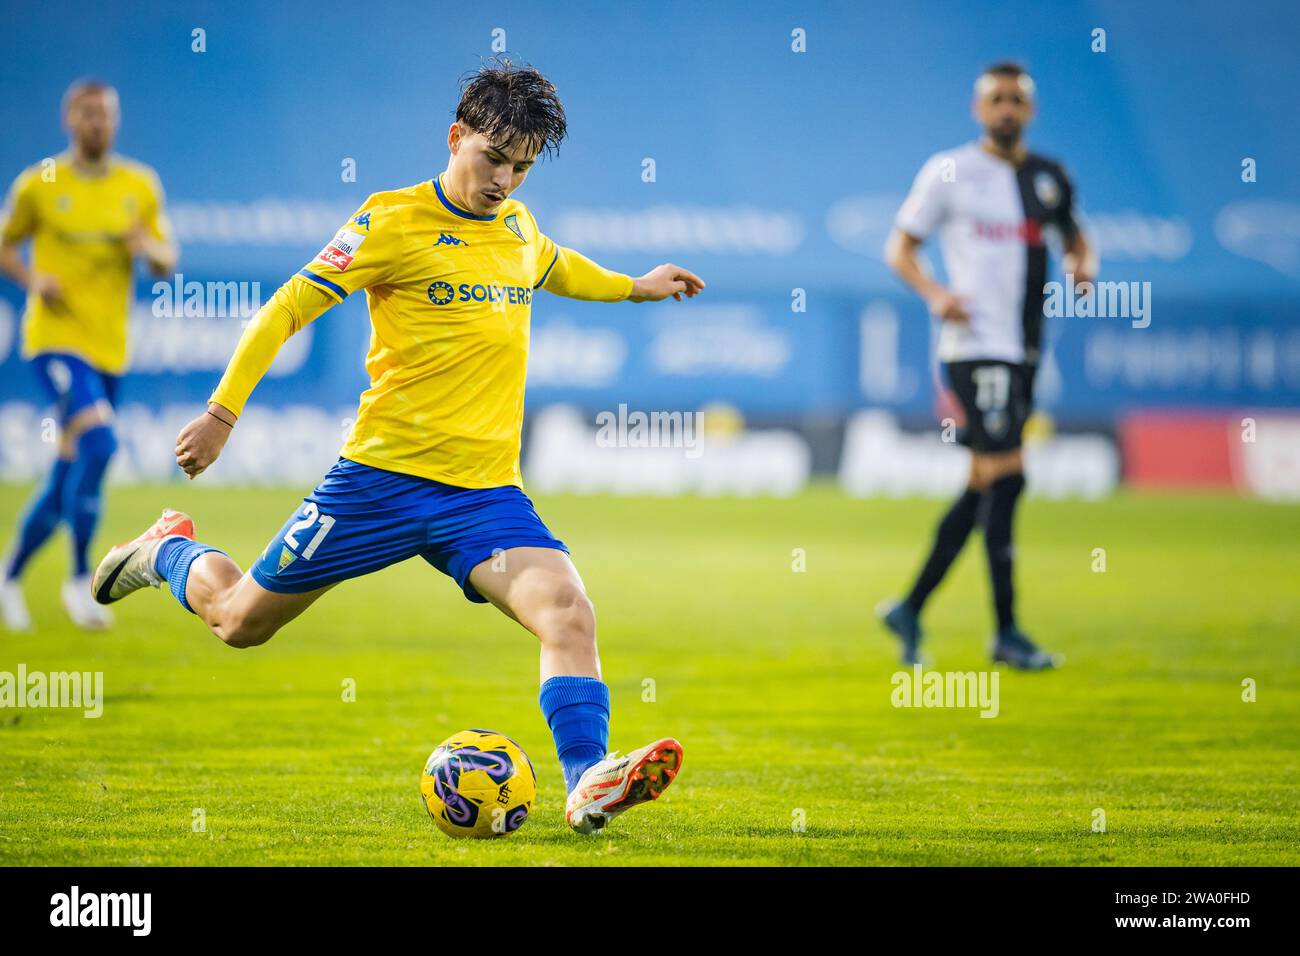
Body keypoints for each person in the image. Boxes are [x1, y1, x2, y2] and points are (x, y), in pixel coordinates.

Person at [92, 61, 703, 834]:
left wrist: (637, 286)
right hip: (377, 484)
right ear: (456, 137)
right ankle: (168, 550)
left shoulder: (517, 227)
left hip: (482, 496)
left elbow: (558, 268)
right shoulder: (389, 221)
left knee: (568, 611)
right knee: (239, 621)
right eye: (493, 159)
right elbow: (284, 309)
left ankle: (588, 781)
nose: (505, 181)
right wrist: (221, 414)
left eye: (521, 167)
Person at [879, 61, 1095, 670]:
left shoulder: (1049, 178)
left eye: (1016, 100)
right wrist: (936, 295)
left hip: (1024, 349)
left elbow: (1077, 237)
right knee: (1010, 476)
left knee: (984, 483)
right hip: (975, 348)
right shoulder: (950, 171)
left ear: (1030, 111)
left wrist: (1084, 265)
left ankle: (912, 607)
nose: (1006, 109)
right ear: (979, 109)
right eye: (996, 99)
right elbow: (899, 248)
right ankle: (1006, 633)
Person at [0, 79, 177, 632]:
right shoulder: (40, 185)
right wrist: (32, 277)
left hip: (109, 351)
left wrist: (143, 248)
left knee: (71, 470)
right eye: (87, 115)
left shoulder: (138, 185)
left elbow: (167, 261)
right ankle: (80, 579)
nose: (97, 124)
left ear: (116, 122)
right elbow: (5, 242)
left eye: (105, 115)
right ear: (69, 120)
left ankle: (8, 578)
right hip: (53, 340)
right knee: (100, 444)